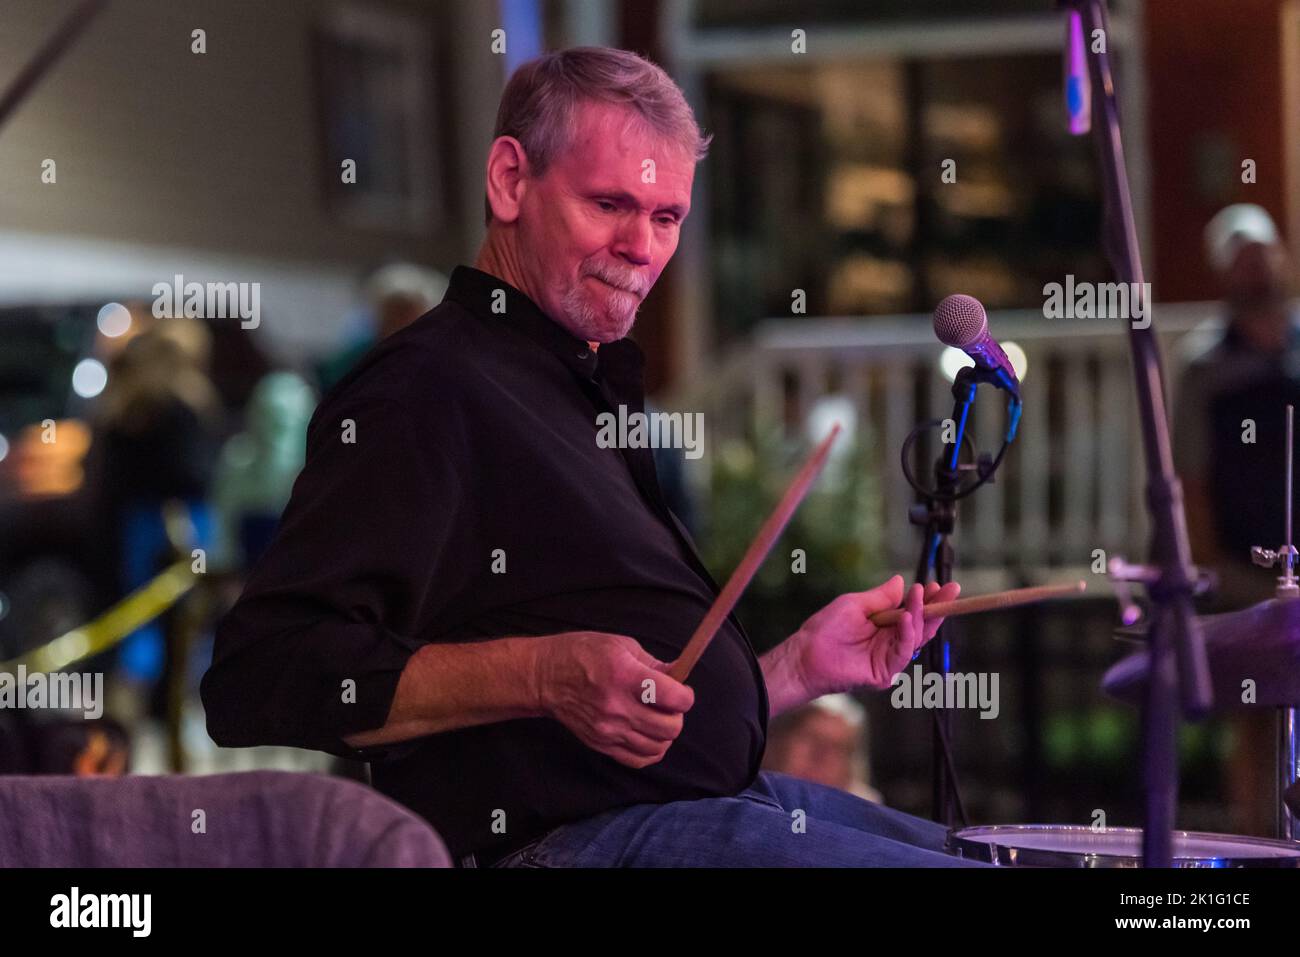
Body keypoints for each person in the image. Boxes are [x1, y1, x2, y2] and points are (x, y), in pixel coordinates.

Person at [201, 47, 972, 867]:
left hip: (687, 804)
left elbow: (629, 704)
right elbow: (261, 673)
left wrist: (790, 669)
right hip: (558, 845)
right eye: (610, 203)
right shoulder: (426, 386)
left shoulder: (576, 380)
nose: (642, 247)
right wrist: (543, 672)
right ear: (509, 180)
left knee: (1002, 857)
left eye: (667, 217)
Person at [1173, 203, 1299, 836]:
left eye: (1263, 252)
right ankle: (1256, 843)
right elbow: (1191, 479)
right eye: (1241, 257)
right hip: (1246, 569)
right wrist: (1212, 568)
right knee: (1254, 716)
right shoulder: (1204, 367)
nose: (1257, 267)